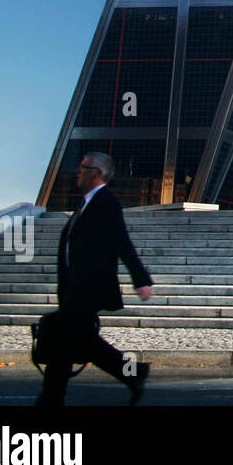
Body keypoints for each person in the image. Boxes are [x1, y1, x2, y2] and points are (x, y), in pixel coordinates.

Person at [36, 152, 154, 406]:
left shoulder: (106, 203)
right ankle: (134, 374)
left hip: (88, 288)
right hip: (74, 288)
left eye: (83, 167)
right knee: (71, 342)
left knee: (68, 340)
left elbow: (122, 241)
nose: (77, 171)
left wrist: (141, 278)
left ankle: (50, 400)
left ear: (96, 173)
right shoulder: (87, 203)